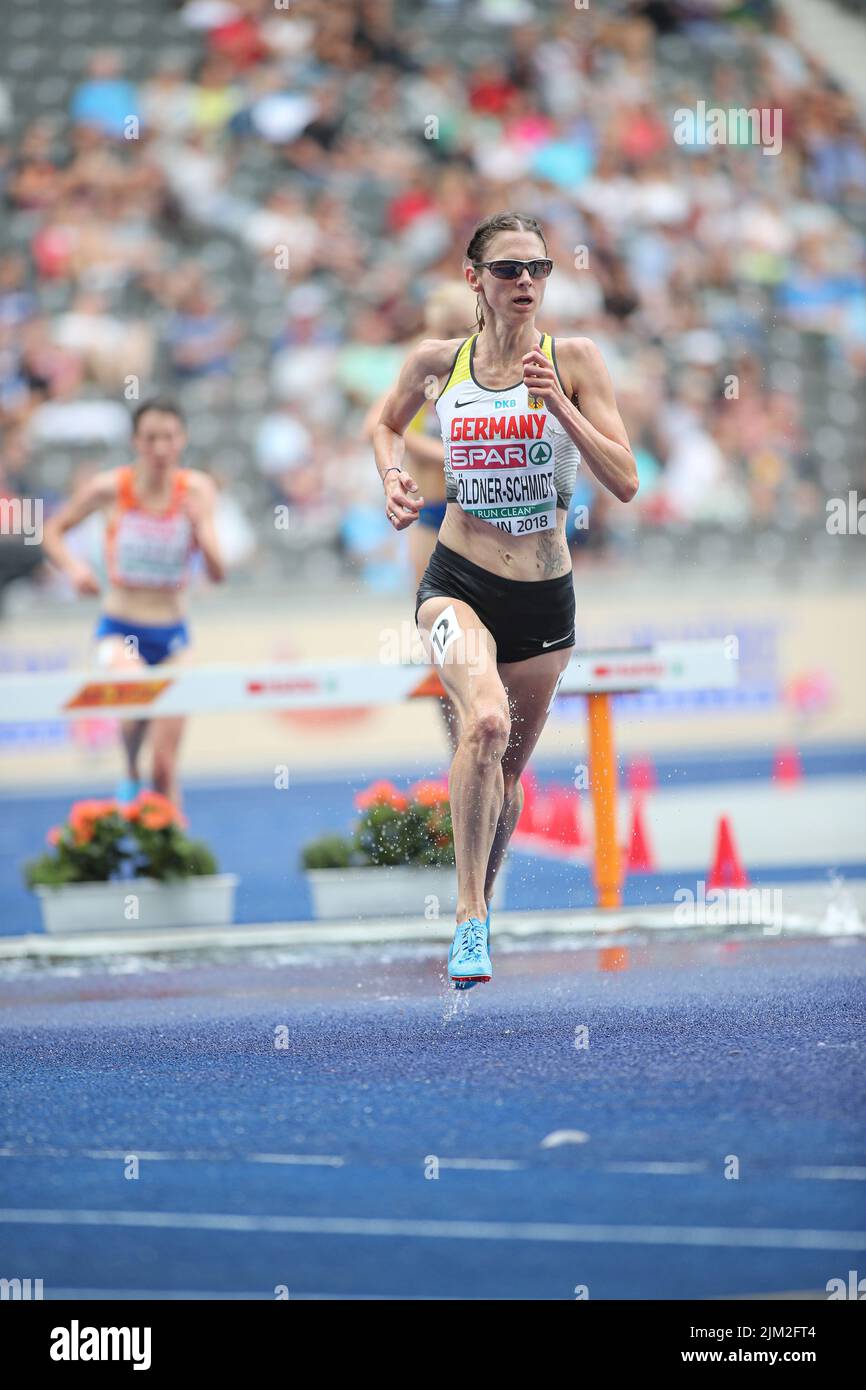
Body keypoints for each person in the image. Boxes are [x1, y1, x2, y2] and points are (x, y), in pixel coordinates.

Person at [372, 211, 638, 987]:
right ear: (474, 279)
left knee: (505, 777)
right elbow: (383, 428)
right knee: (483, 722)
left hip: (545, 601)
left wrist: (562, 408)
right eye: (510, 270)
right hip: (458, 581)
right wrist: (390, 476)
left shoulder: (577, 361)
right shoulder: (437, 363)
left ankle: (480, 905)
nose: (526, 283)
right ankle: (466, 915)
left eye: (539, 270)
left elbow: (624, 481)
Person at [42, 398, 225, 807]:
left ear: (183, 440)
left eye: (169, 438)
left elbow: (218, 574)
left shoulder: (197, 490)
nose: (160, 448)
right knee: (142, 694)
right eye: (150, 439)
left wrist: (200, 531)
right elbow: (52, 530)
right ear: (135, 442)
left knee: (165, 765)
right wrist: (73, 569)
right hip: (120, 630)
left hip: (175, 636)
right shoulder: (109, 489)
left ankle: (173, 854)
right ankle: (128, 769)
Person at [364, 280, 477, 750]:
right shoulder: (423, 360)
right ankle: (458, 745)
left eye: (461, 329)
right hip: (432, 515)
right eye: (445, 329)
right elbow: (375, 425)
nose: (453, 339)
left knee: (486, 636)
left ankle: (484, 739)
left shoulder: (485, 358)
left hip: (476, 512)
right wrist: (443, 450)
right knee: (440, 635)